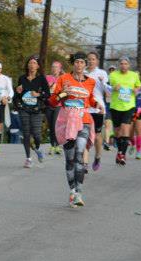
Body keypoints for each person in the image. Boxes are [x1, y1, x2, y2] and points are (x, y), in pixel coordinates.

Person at [49, 53, 97, 207]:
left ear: (85, 65)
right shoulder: (64, 79)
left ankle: (79, 193)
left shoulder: (91, 82)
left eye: (82, 62)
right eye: (76, 62)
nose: (79, 65)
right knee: (69, 160)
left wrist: (98, 105)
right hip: (67, 122)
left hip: (84, 121)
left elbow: (90, 100)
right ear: (73, 64)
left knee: (79, 156)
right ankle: (72, 190)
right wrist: (64, 92)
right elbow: (52, 101)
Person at [14, 55, 51, 168]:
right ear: (27, 65)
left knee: (37, 135)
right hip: (24, 109)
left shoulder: (41, 79)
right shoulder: (22, 78)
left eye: (34, 63)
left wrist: (38, 94)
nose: (32, 65)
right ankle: (28, 159)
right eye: (30, 63)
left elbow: (47, 94)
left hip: (37, 110)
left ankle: (38, 148)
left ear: (38, 66)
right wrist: (18, 91)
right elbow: (18, 94)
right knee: (26, 133)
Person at [107, 57, 141, 166]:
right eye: (121, 64)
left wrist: (136, 90)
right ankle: (119, 151)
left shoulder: (134, 75)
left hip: (129, 106)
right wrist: (114, 88)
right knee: (117, 132)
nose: (123, 65)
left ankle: (122, 154)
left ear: (129, 65)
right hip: (116, 106)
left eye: (125, 63)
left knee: (125, 128)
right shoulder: (113, 75)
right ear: (119, 65)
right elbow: (108, 86)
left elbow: (139, 85)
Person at [85, 51, 110, 171]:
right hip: (84, 108)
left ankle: (98, 156)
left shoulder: (102, 73)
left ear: (97, 61)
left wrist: (102, 82)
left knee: (97, 135)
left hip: (98, 108)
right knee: (84, 134)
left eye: (93, 59)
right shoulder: (82, 72)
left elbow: (108, 92)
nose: (90, 61)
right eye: (89, 59)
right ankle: (84, 162)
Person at [45, 60, 64, 155]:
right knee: (51, 126)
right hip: (49, 104)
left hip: (59, 105)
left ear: (60, 69)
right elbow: (43, 90)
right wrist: (48, 87)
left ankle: (57, 145)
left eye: (56, 67)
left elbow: (65, 91)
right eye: (53, 67)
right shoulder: (47, 78)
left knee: (56, 125)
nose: (54, 69)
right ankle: (53, 145)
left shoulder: (63, 78)